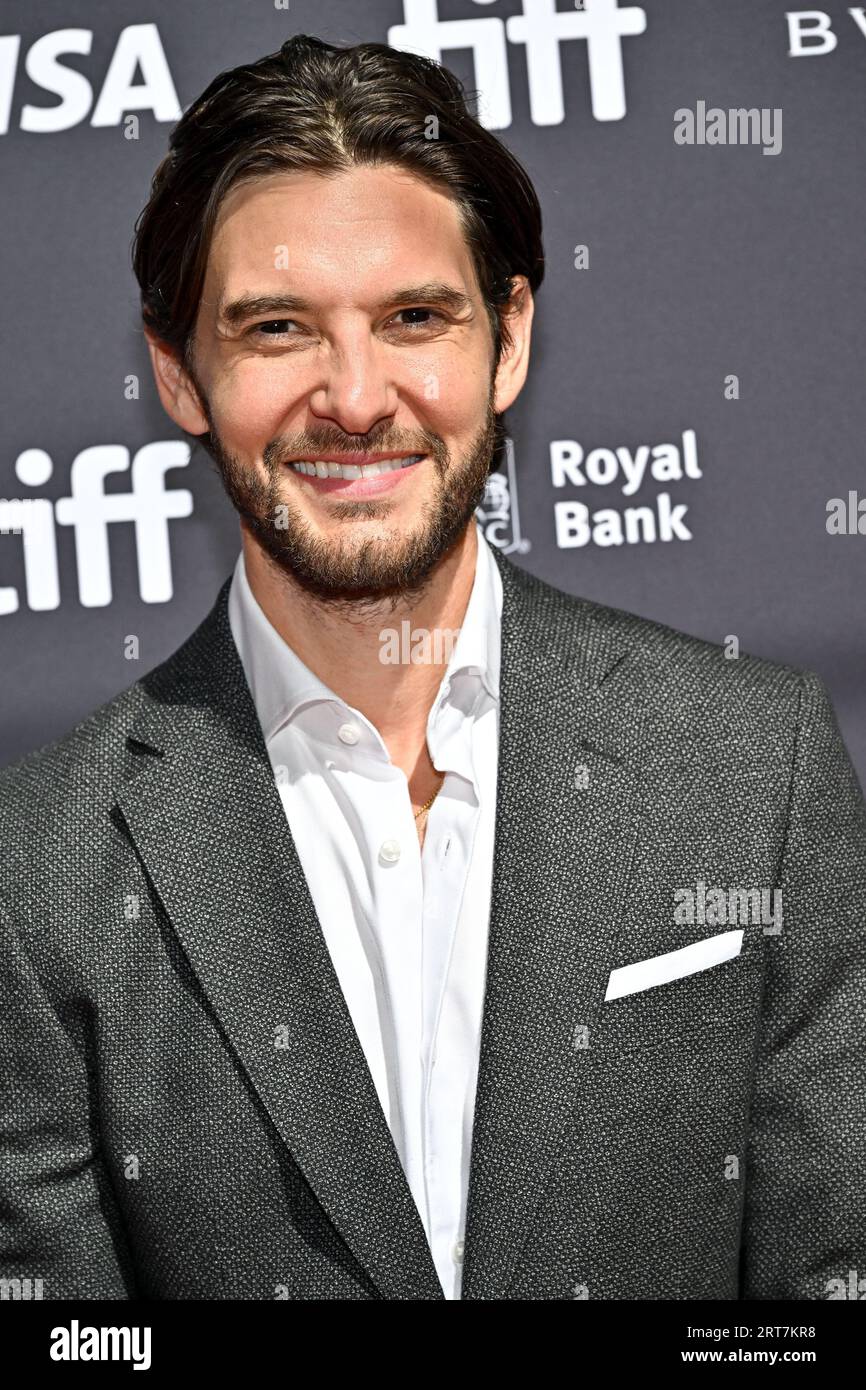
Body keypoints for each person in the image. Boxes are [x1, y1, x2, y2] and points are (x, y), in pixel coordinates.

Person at [1, 34, 864, 1302]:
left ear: (506, 340)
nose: (354, 397)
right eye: (278, 328)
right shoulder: (40, 870)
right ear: (179, 371)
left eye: (414, 318)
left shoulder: (751, 765)